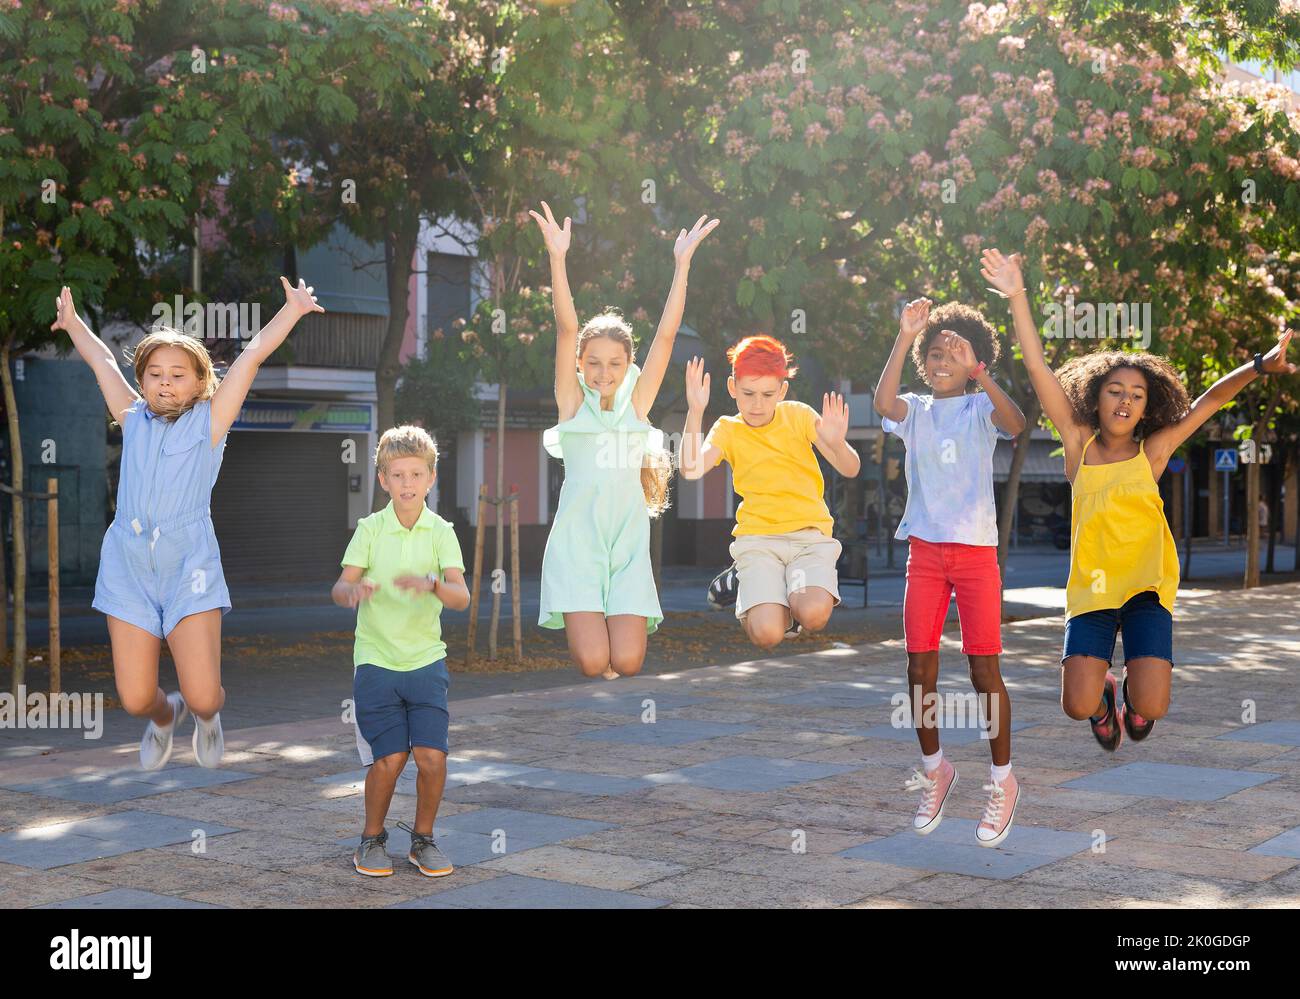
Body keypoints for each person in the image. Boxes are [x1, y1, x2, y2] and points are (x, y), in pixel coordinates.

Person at [51, 277, 322, 770]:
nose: (165, 382)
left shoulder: (210, 422)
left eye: (178, 374)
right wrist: (73, 324)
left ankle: (205, 716)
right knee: (134, 699)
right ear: (144, 381)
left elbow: (251, 357)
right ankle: (163, 717)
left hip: (188, 562)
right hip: (128, 563)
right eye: (155, 373)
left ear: (199, 383)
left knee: (204, 696)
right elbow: (104, 362)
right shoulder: (132, 418)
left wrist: (293, 311)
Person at [874, 295, 1026, 845]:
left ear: (974, 361)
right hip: (926, 553)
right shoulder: (914, 410)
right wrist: (903, 333)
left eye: (955, 354)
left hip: (976, 556)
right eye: (934, 352)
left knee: (984, 673)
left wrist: (982, 373)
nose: (942, 361)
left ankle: (1003, 783)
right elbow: (882, 400)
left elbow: (1016, 421)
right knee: (919, 671)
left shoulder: (979, 409)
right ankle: (937, 771)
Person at [333, 426, 470, 878]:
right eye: (398, 474)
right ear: (383, 480)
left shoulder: (441, 532)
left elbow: (461, 596)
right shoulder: (370, 530)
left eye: (416, 474)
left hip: (427, 662)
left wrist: (432, 584)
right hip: (376, 662)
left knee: (432, 757)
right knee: (389, 759)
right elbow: (340, 586)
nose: (407, 483)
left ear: (430, 478)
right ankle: (371, 839)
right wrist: (353, 590)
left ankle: (423, 840)